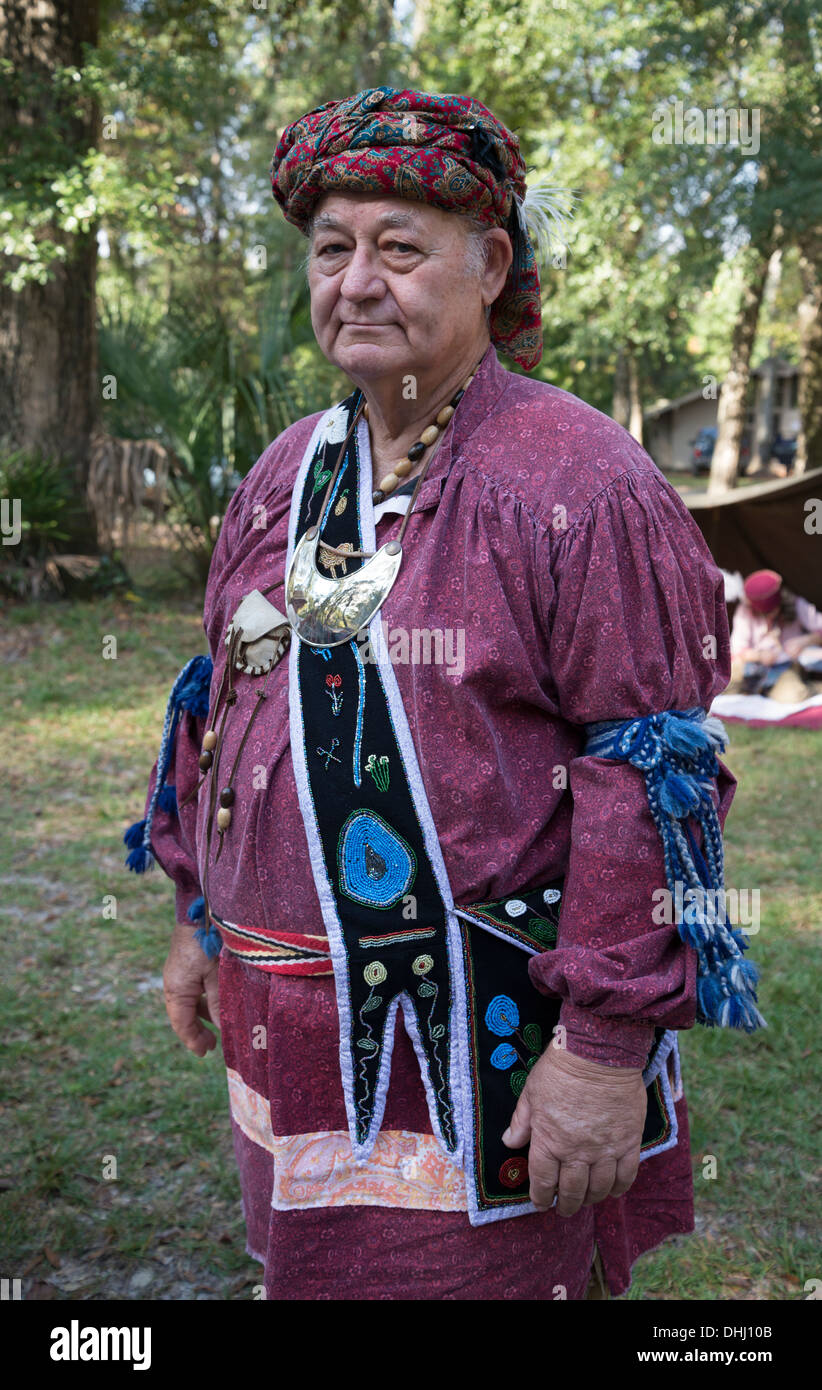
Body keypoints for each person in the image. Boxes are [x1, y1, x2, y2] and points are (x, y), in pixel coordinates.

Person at [125, 87, 763, 1302]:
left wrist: (603, 1050)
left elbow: (655, 774)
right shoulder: (285, 474)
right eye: (331, 248)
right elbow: (219, 706)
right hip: (292, 1035)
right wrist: (194, 923)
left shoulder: (579, 480)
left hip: (488, 1062)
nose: (357, 281)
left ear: (491, 266)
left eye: (399, 248)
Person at [728, 568, 822, 701]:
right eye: (764, 614)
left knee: (793, 696)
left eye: (772, 612)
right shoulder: (744, 611)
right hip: (751, 667)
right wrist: (759, 655)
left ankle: (810, 689)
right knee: (722, 686)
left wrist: (805, 640)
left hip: (785, 668)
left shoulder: (795, 604)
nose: (768, 617)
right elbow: (737, 650)